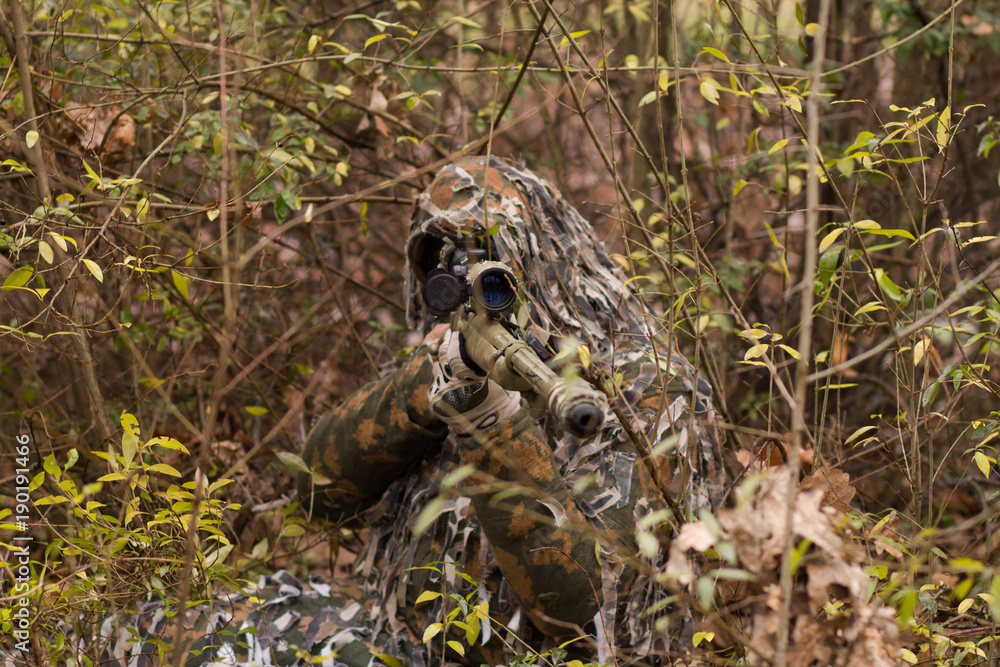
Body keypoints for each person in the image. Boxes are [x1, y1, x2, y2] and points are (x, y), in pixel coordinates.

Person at [90, 156, 725, 667]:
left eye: (489, 260)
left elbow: (576, 609)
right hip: (395, 638)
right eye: (441, 261)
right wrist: (425, 386)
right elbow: (314, 493)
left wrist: (493, 422)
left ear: (543, 257)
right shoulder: (445, 357)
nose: (459, 282)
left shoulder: (647, 390)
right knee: (133, 628)